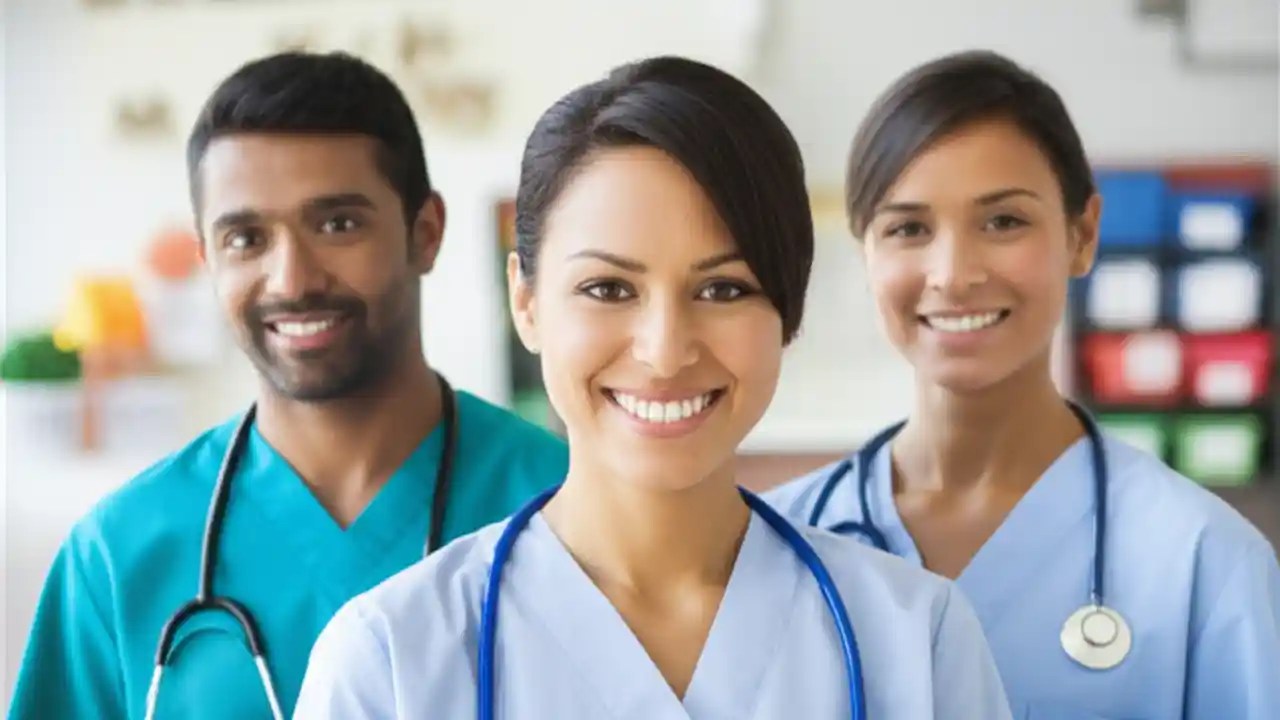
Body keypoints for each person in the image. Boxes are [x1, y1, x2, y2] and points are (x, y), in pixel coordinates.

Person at [292, 55, 1013, 720]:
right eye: (608, 288)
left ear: (786, 311)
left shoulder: (915, 640)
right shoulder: (389, 661)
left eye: (724, 288)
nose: (665, 352)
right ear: (527, 302)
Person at [7, 51, 568, 720]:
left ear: (426, 233)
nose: (293, 279)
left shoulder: (571, 507)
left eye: (337, 225)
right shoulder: (118, 555)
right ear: (208, 258)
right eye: (246, 237)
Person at [766, 50, 1280, 719]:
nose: (953, 273)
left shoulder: (1203, 560)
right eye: (908, 228)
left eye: (1003, 221)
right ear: (866, 249)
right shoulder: (774, 544)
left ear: (1082, 234)